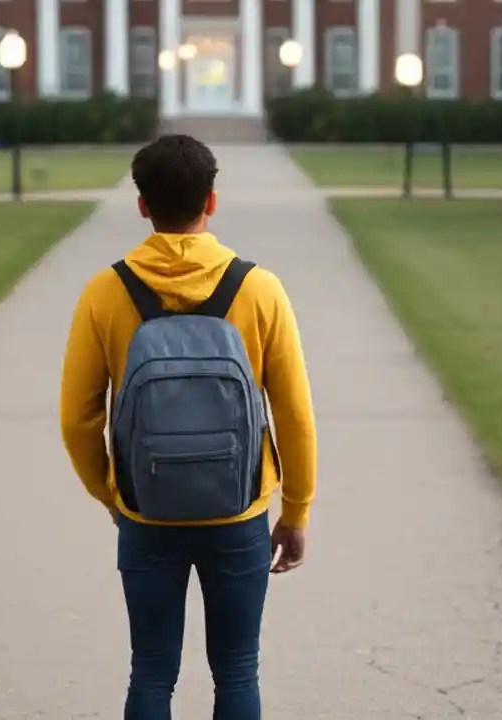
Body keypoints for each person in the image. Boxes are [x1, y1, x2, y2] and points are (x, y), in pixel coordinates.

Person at [59, 134, 318, 720]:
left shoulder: (106, 291)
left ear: (142, 205)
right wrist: (296, 511)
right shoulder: (259, 288)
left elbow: (77, 416)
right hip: (239, 511)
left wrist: (112, 495)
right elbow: (295, 415)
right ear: (212, 201)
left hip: (147, 511)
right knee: (238, 670)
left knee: (151, 670)